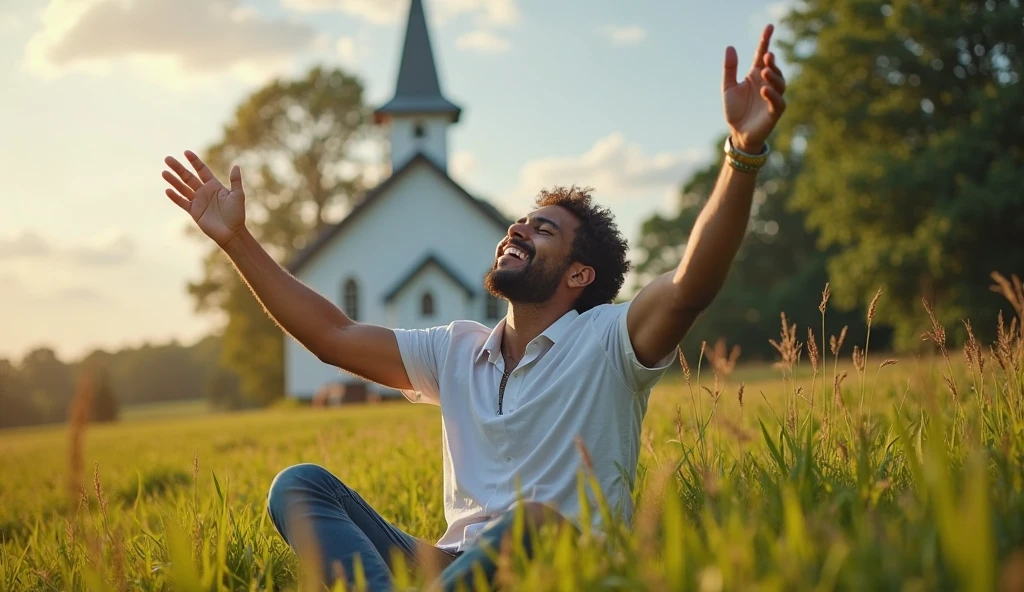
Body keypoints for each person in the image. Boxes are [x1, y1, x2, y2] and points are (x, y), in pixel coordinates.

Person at [160, 23, 787, 592]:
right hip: (452, 565)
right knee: (299, 485)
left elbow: (688, 286)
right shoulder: (454, 349)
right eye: (521, 221)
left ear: (579, 274)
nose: (517, 229)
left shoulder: (609, 340)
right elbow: (333, 335)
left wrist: (742, 154)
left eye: (543, 229)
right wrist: (237, 240)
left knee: (532, 520)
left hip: (559, 561)